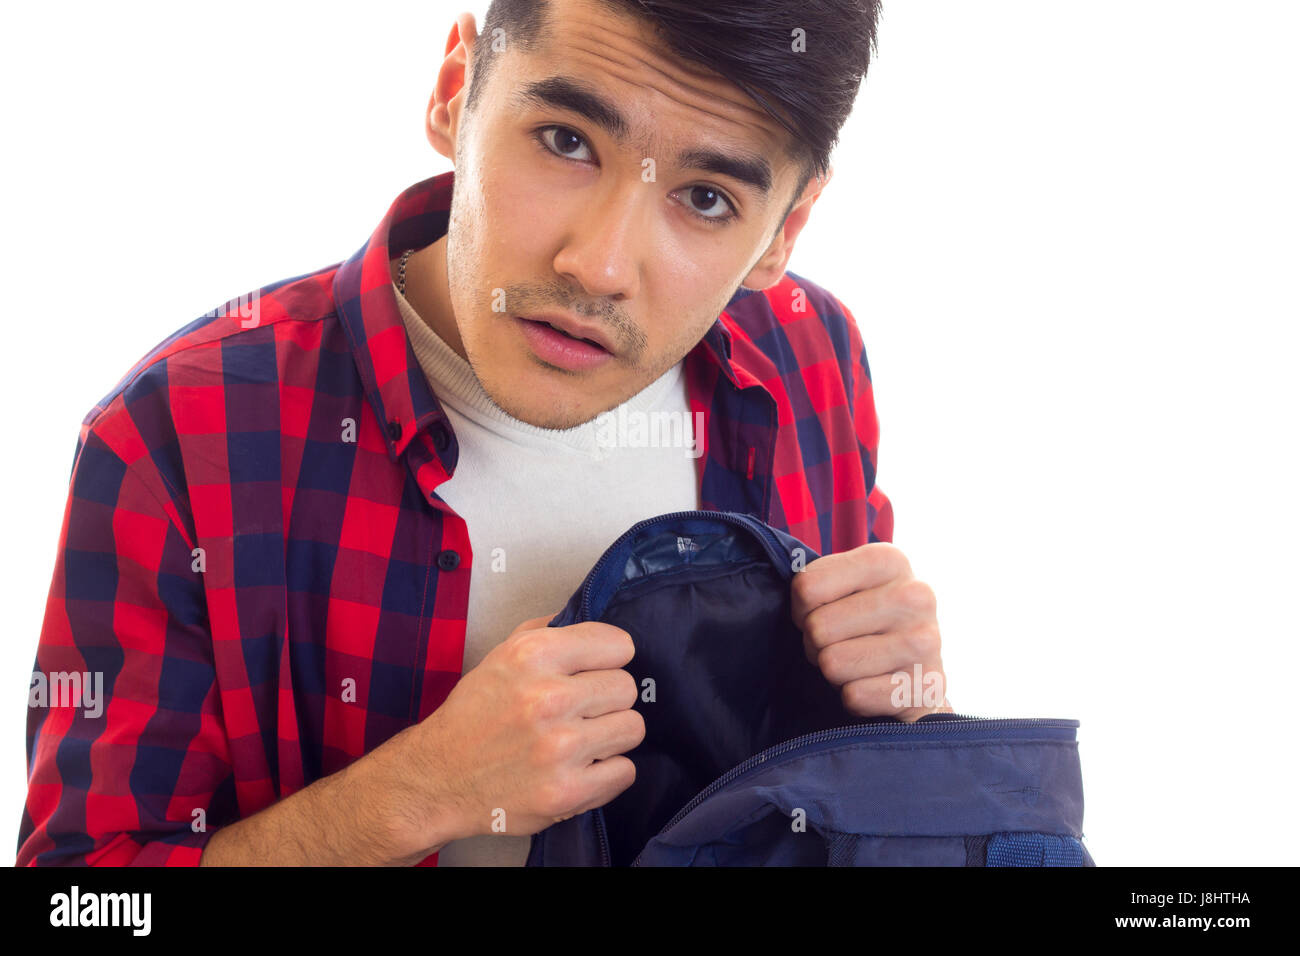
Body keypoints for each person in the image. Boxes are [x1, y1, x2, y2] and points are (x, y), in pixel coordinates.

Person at [17, 0, 950, 868]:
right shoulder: (181, 432)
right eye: (565, 141)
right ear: (456, 91)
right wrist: (412, 796)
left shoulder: (811, 357)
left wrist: (903, 723)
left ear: (787, 228)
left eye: (707, 199)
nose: (599, 265)